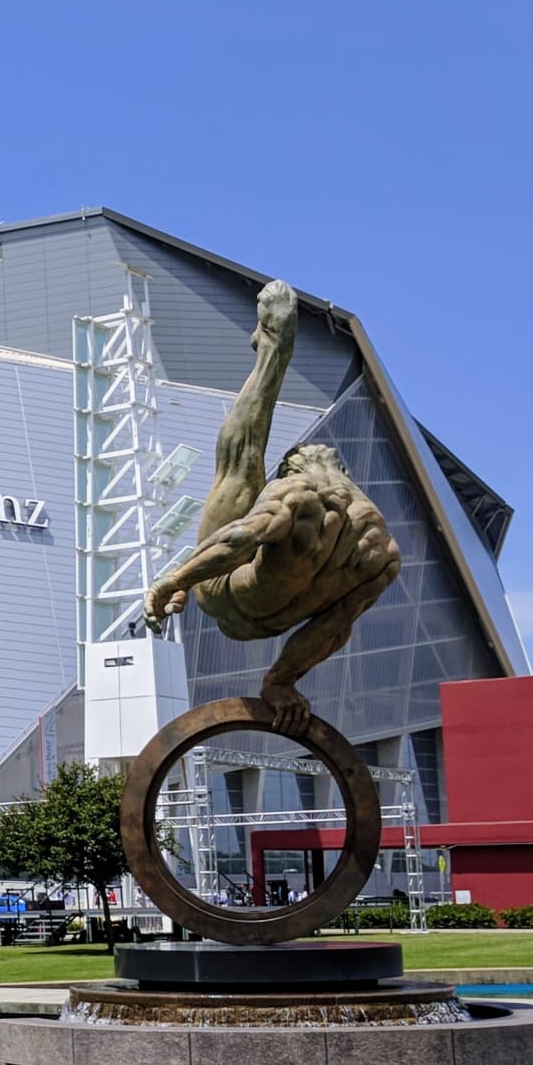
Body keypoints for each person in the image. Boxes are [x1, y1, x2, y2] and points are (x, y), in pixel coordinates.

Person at [144, 278, 401, 738]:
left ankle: (272, 352)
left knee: (240, 460)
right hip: (276, 621)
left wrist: (175, 580)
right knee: (247, 477)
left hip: (228, 591)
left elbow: (241, 537)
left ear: (292, 465)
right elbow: (336, 624)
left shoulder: (299, 491)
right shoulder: (381, 546)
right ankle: (272, 350)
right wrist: (281, 680)